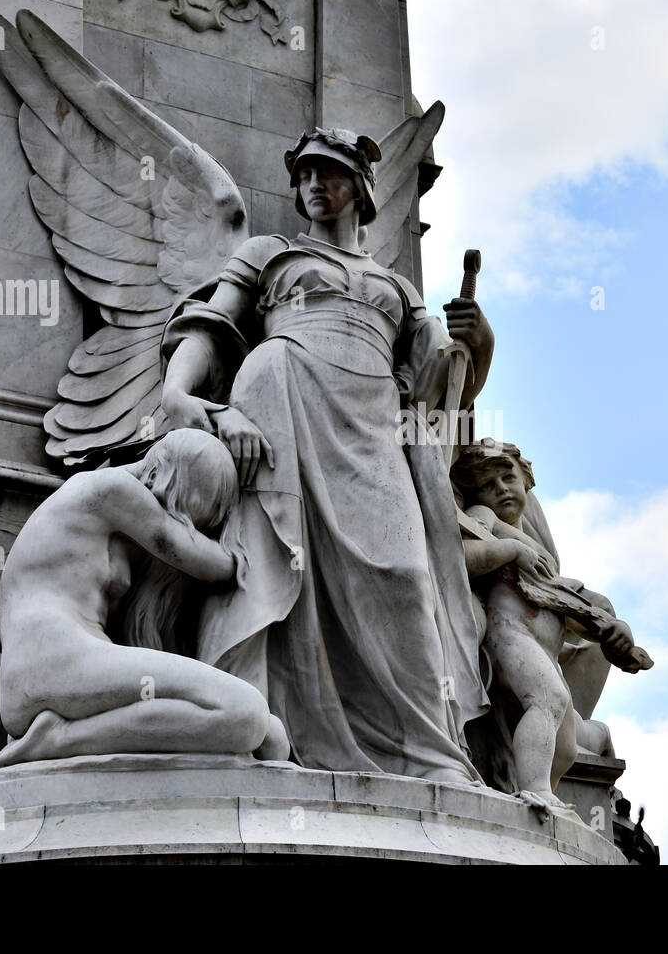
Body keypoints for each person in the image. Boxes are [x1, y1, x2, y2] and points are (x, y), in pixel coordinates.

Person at [159, 127, 493, 783]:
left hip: (373, 425)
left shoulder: (397, 286)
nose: (314, 185)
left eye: (330, 173)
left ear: (362, 190)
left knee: (404, 576)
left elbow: (438, 384)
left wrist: (477, 342)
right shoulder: (269, 253)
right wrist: (178, 392)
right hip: (281, 398)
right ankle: (264, 729)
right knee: (281, 563)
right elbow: (211, 325)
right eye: (305, 174)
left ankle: (427, 755)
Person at [0, 429, 287, 769]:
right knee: (245, 714)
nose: (182, 523)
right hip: (48, 662)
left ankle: (66, 734)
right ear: (162, 474)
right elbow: (210, 564)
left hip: (73, 663)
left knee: (272, 737)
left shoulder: (110, 517)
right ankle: (58, 740)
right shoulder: (111, 488)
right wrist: (265, 541)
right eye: (186, 513)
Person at [452, 439, 642, 807]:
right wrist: (511, 551)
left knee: (566, 747)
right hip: (509, 634)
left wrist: (615, 630)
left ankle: (545, 797)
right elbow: (462, 555)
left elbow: (568, 602)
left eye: (508, 478)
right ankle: (535, 791)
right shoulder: (485, 516)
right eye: (488, 485)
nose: (501, 489)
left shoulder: (541, 551)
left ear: (526, 481)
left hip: (545, 648)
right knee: (548, 700)